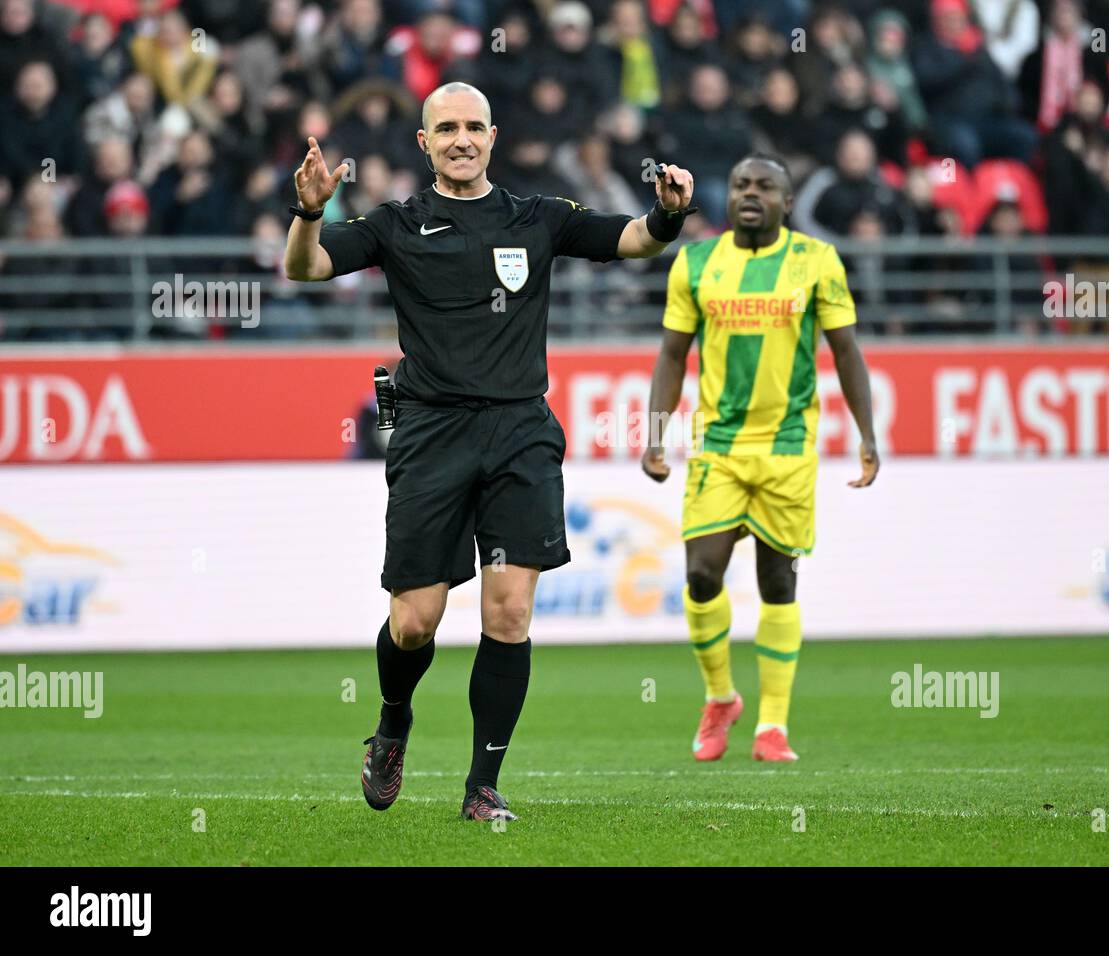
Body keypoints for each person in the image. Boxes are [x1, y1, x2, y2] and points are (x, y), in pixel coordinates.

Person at [284, 81, 694, 821]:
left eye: (475, 126)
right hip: (431, 433)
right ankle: (392, 725)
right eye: (447, 129)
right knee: (414, 622)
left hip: (518, 433)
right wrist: (310, 212)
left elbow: (630, 239)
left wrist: (669, 212)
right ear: (424, 142)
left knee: (508, 614)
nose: (462, 139)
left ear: (494, 136)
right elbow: (305, 269)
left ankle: (482, 787)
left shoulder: (536, 217)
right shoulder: (395, 223)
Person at [641, 153, 880, 763]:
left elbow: (846, 351)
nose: (750, 193)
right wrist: (655, 436)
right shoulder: (695, 262)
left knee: (778, 583)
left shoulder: (816, 261)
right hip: (718, 448)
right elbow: (672, 356)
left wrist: (867, 434)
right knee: (700, 574)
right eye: (741, 183)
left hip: (788, 450)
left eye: (765, 186)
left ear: (788, 201)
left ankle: (773, 724)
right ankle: (721, 697)